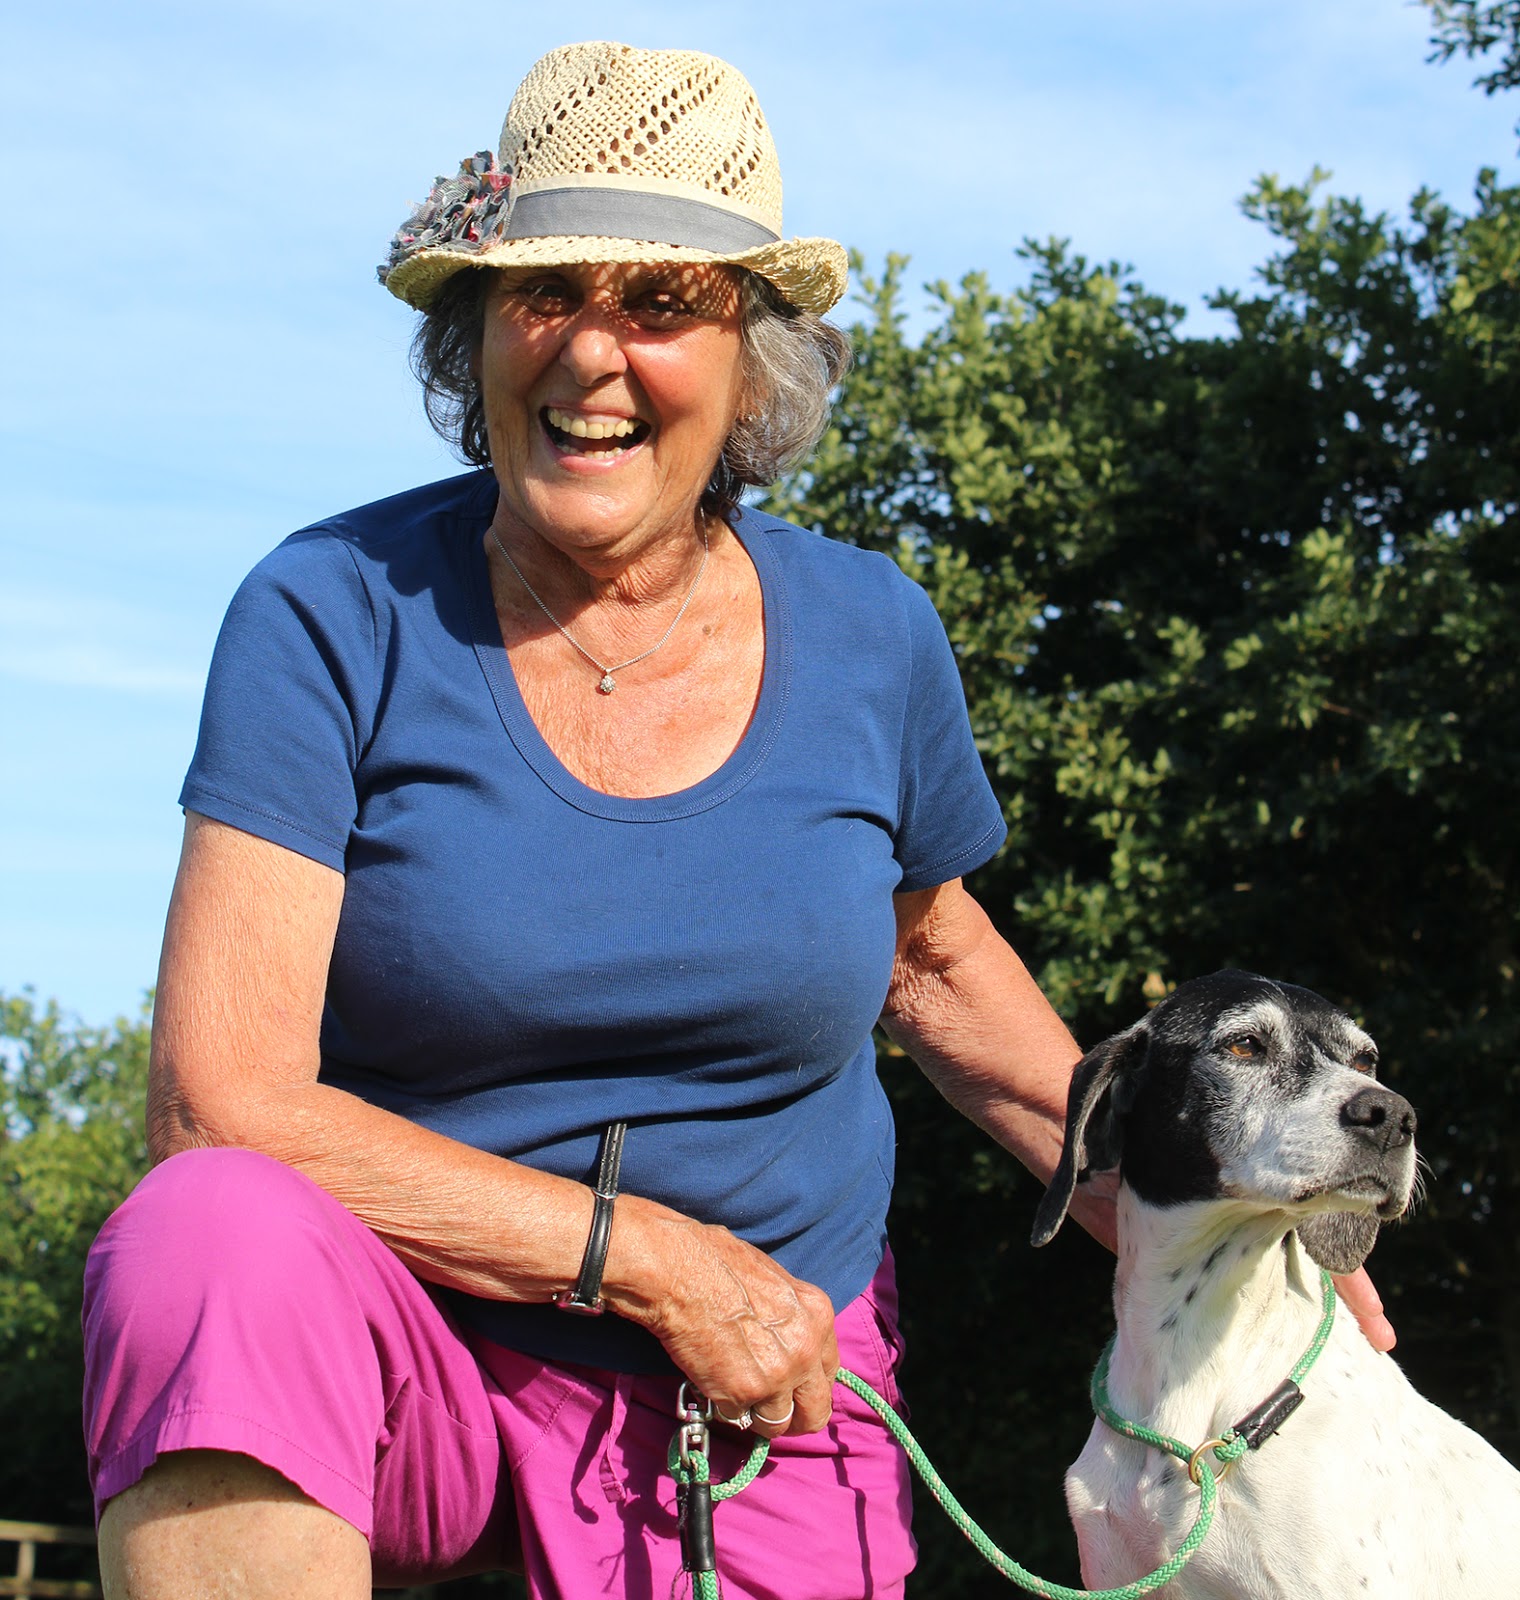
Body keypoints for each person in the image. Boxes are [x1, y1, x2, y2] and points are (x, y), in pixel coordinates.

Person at [81, 39, 1392, 1600]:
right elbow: (220, 1102)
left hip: (767, 1375)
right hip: (408, 1352)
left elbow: (933, 967)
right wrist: (643, 1254)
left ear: (752, 359)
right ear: (475, 336)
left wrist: (1233, 1231)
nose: (590, 355)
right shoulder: (328, 610)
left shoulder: (870, 635)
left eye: (659, 305)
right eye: (543, 295)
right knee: (204, 1237)